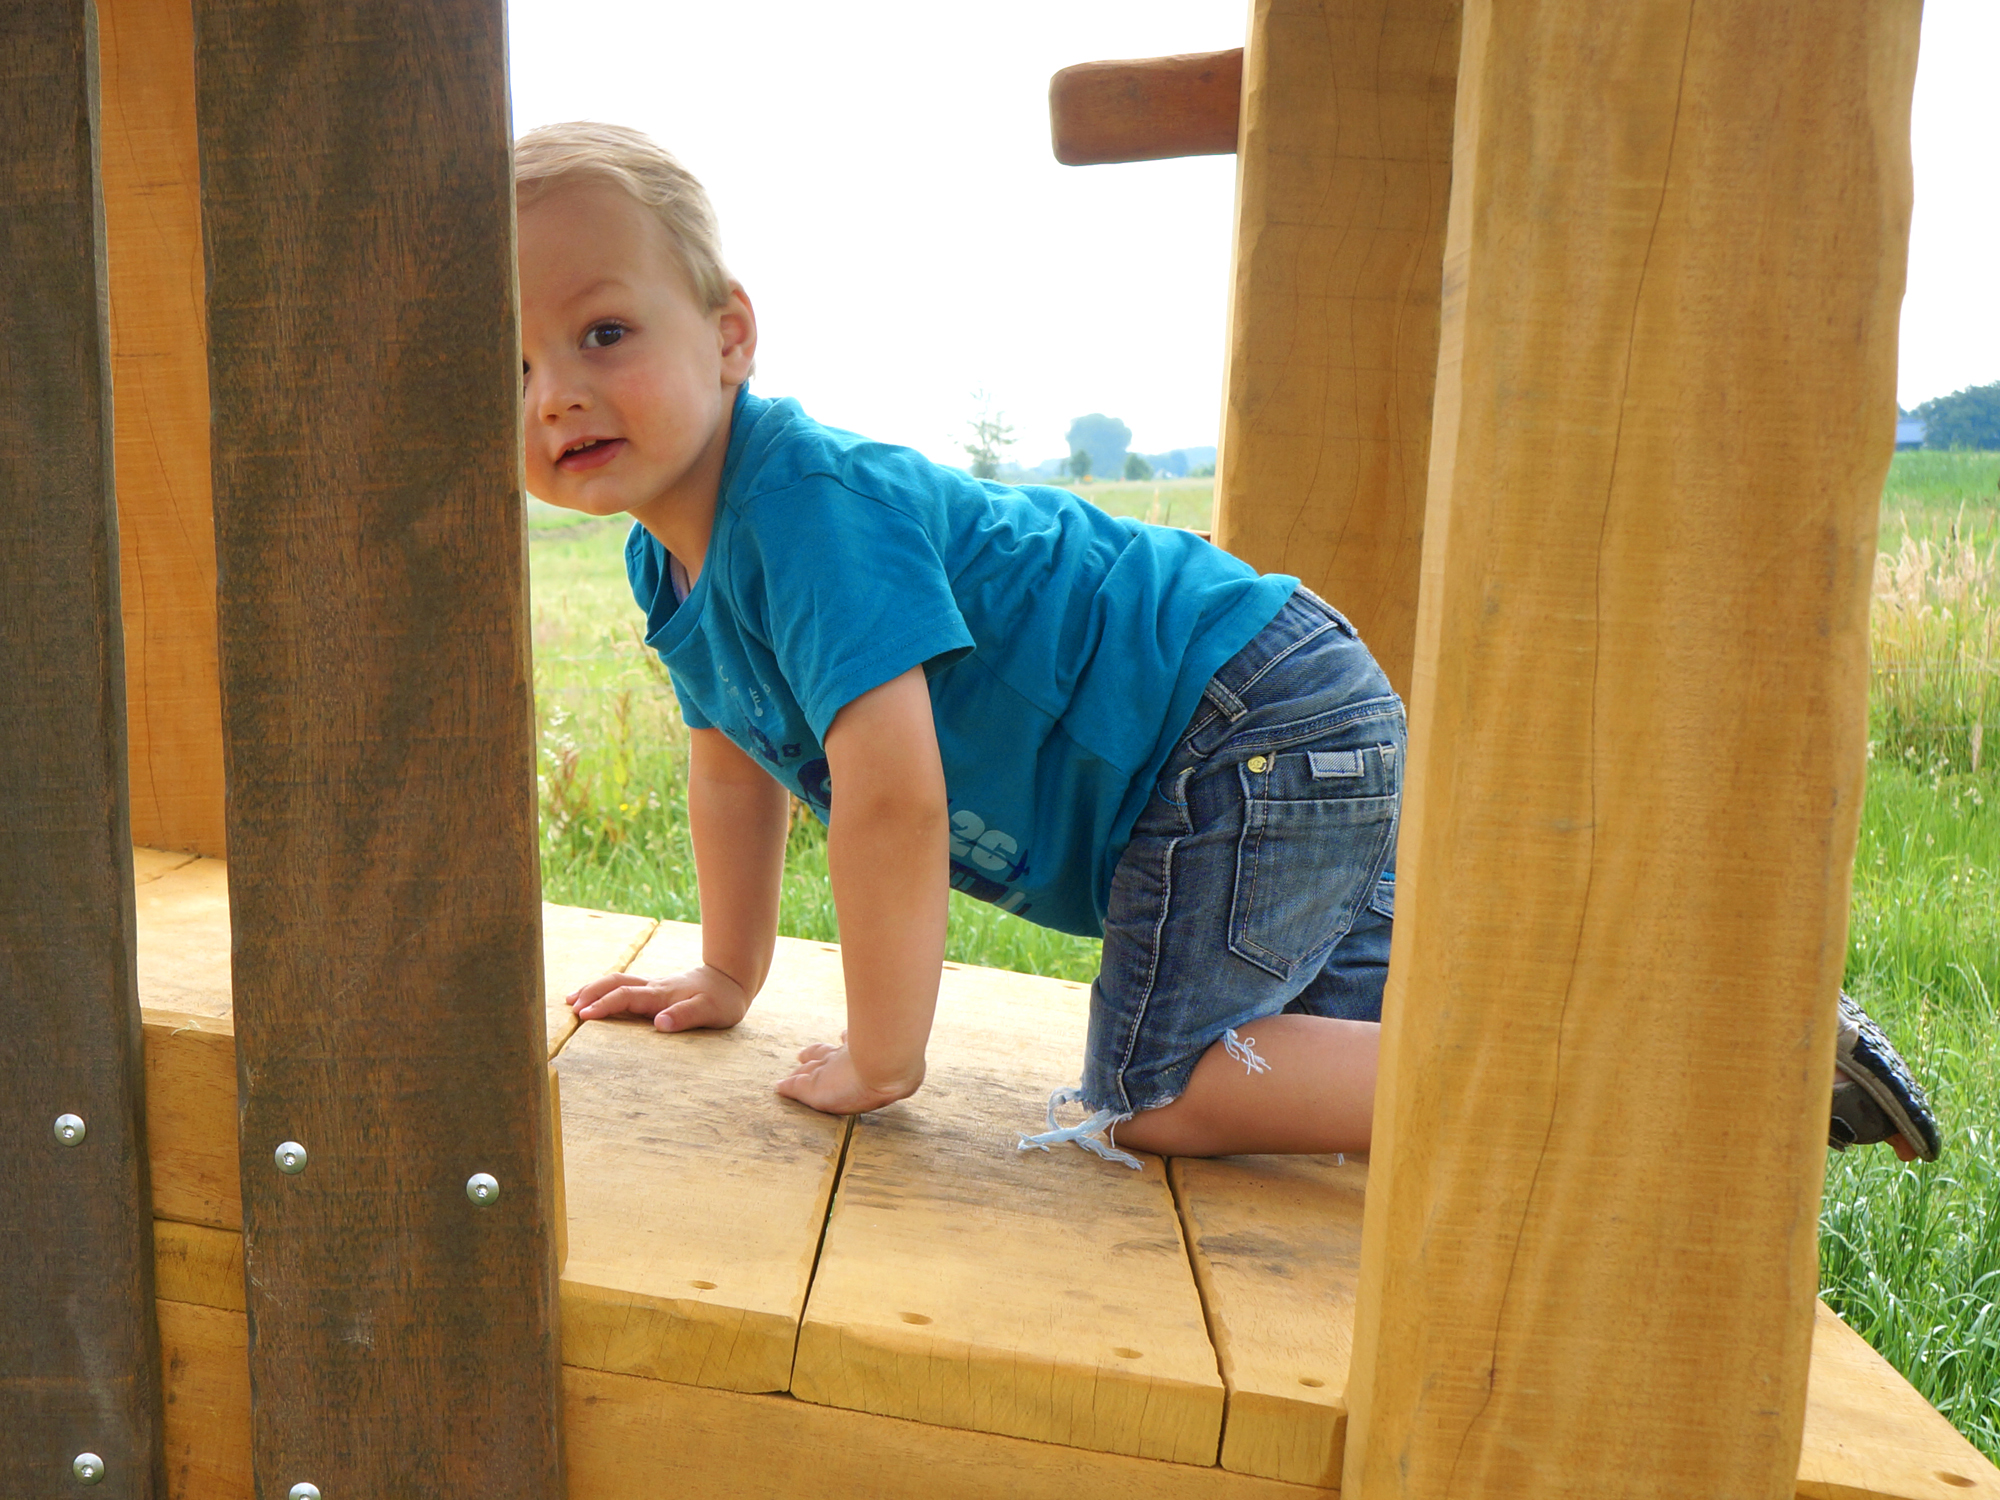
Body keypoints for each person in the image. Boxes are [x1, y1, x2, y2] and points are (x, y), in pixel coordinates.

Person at [517, 122, 1940, 1167]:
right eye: (507, 364)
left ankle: (1702, 1079)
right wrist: (729, 972)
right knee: (1345, 1047)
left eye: (601, 331)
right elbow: (734, 767)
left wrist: (890, 1051)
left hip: (1235, 728)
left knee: (1165, 1092)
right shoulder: (673, 563)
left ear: (731, 337)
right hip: (1243, 724)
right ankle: (1727, 1018)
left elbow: (890, 796)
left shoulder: (806, 510)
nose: (556, 395)